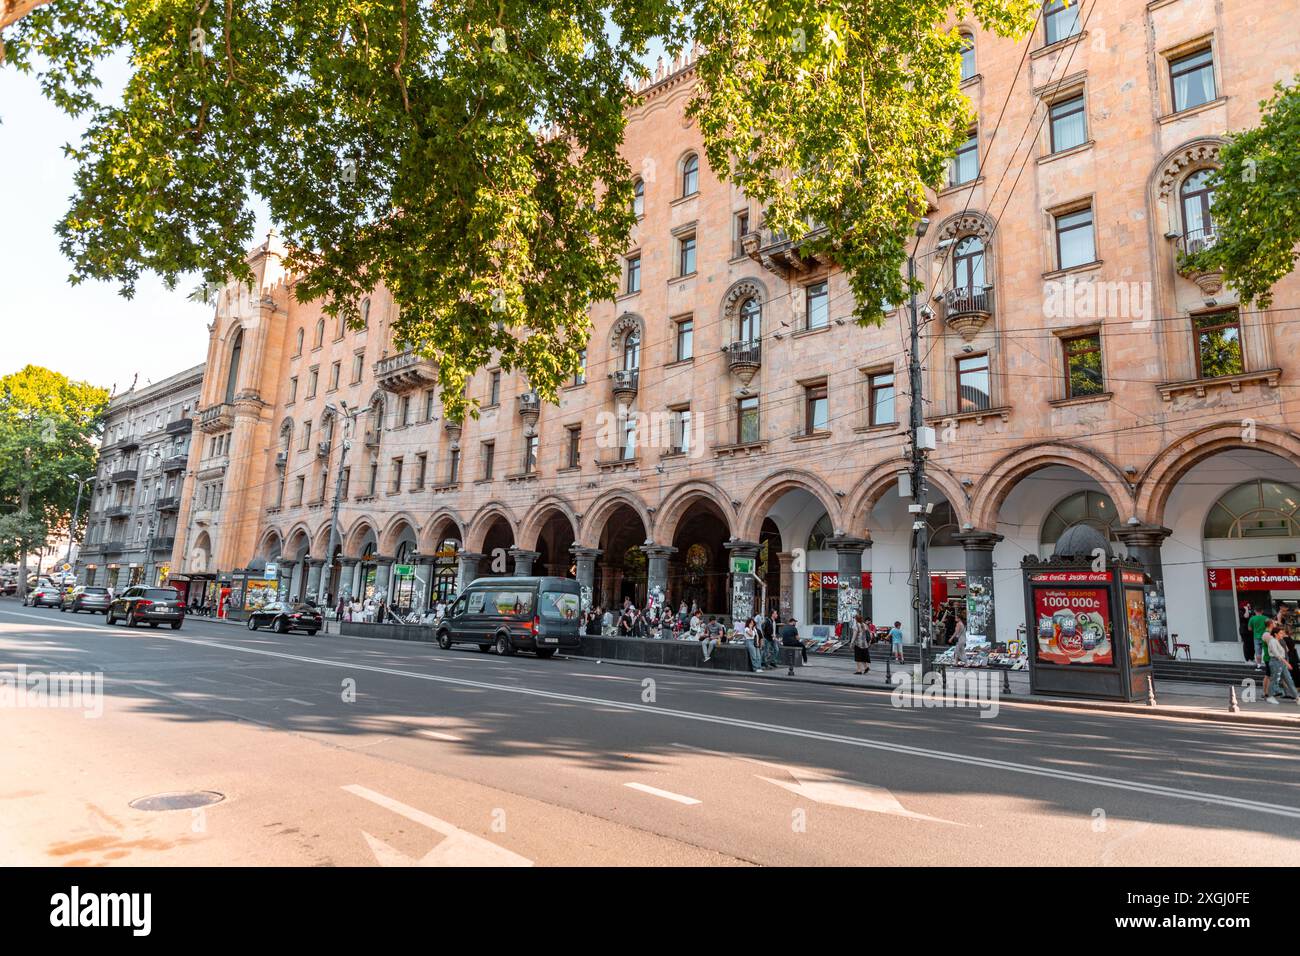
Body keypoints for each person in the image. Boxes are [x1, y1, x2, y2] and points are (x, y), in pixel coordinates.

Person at [1264, 626, 1298, 704]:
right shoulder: (1272, 641)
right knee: (1275, 680)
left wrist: (1285, 662)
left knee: (1289, 679)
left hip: (1280, 662)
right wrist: (1286, 663)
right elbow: (1276, 654)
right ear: (1276, 634)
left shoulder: (1277, 641)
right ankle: (1270, 696)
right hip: (1275, 662)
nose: (1282, 634)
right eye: (1281, 633)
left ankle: (1297, 697)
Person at [1248, 605, 1270, 670]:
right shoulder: (1266, 618)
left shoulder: (1252, 618)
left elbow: (1249, 629)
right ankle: (1268, 665)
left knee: (1258, 652)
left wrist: (1255, 629)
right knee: (1267, 651)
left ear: (1255, 611)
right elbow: (1270, 627)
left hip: (1256, 637)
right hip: (1265, 637)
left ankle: (1259, 666)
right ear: (1262, 611)